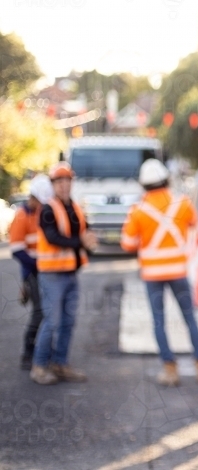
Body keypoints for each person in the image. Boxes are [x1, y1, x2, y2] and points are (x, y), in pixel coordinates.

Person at [121, 159, 198, 387]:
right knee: (190, 318)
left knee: (158, 321)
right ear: (167, 179)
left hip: (153, 274)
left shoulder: (138, 210)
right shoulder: (182, 203)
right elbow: (195, 225)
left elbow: (127, 243)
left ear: (143, 184)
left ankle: (170, 370)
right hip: (178, 271)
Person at [31, 162, 97, 385]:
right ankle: (39, 366)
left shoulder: (75, 208)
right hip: (52, 275)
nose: (63, 185)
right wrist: (81, 241)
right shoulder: (48, 209)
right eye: (59, 182)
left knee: (68, 322)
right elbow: (53, 237)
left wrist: (90, 238)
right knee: (52, 321)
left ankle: (60, 363)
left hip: (70, 274)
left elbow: (85, 230)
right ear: (53, 185)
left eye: (66, 180)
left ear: (71, 182)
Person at [9, 175, 54, 370]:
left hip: (47, 271)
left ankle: (44, 351)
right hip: (32, 272)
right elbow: (17, 250)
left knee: (49, 312)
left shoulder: (42, 213)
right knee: (39, 312)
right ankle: (28, 352)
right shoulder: (22, 215)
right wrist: (38, 265)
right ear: (33, 197)